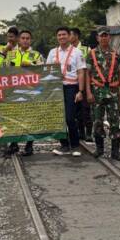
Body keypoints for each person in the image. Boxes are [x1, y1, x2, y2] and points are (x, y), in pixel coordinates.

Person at [46, 27, 88, 157]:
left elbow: (81, 72)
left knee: (70, 118)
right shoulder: (53, 52)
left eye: (64, 34)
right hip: (57, 88)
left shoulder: (77, 52)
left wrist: (80, 91)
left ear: (69, 36)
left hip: (71, 87)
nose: (61, 37)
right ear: (56, 37)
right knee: (59, 117)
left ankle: (75, 145)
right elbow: (47, 70)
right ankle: (64, 145)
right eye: (59, 35)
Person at [86, 27, 120, 160]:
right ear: (97, 38)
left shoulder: (116, 54)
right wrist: (88, 92)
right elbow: (87, 74)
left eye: (106, 35)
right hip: (97, 92)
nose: (104, 38)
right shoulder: (91, 54)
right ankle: (99, 149)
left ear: (109, 37)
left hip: (113, 93)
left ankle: (115, 151)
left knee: (115, 121)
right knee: (97, 121)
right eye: (101, 36)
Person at [5, 30, 44, 156]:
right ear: (19, 40)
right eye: (23, 38)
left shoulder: (36, 55)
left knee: (30, 118)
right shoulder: (11, 55)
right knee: (13, 118)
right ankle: (14, 144)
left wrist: (31, 64)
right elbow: (5, 71)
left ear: (31, 40)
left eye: (28, 38)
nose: (25, 40)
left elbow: (43, 71)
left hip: (31, 92)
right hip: (14, 91)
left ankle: (29, 145)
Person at [70, 27, 93, 141]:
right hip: (73, 83)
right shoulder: (67, 50)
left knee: (86, 109)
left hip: (85, 82)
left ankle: (89, 133)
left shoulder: (86, 49)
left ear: (76, 36)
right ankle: (81, 132)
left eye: (70, 35)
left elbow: (90, 68)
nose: (68, 37)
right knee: (76, 110)